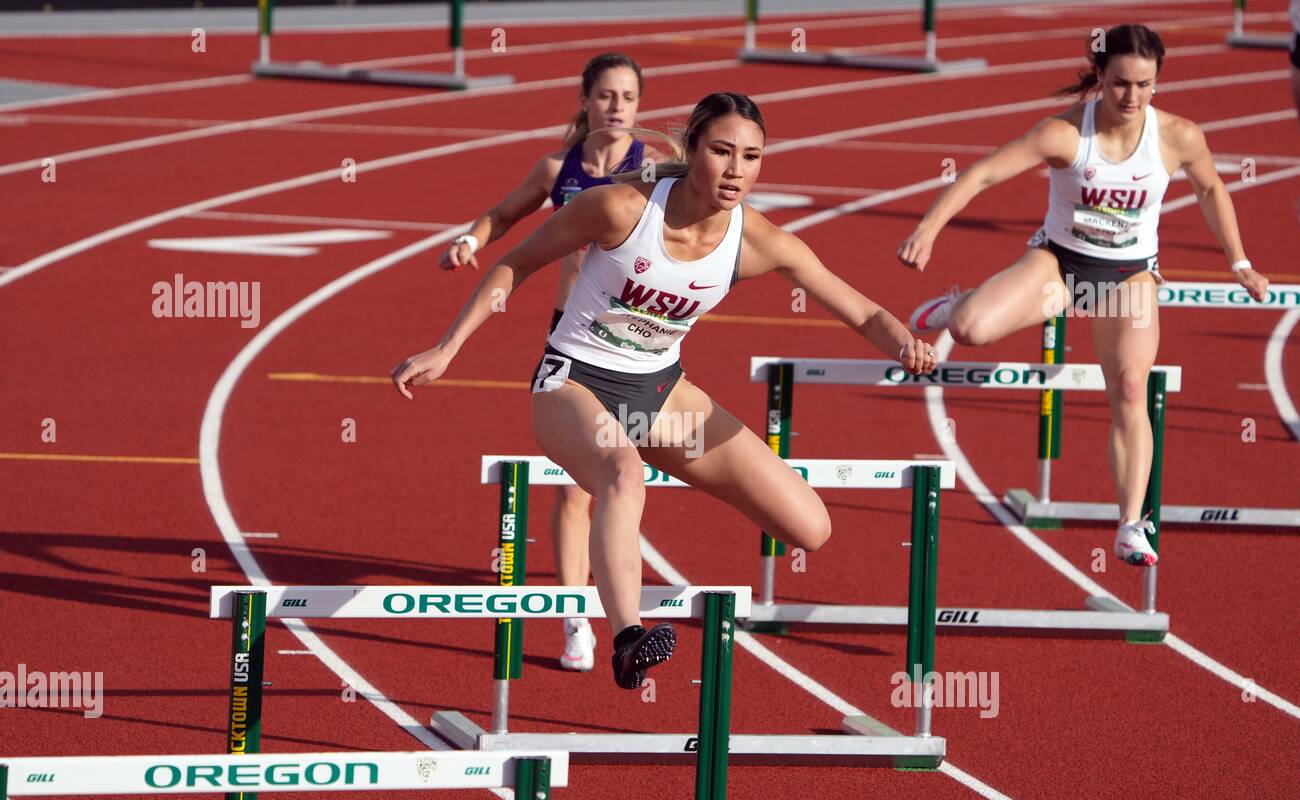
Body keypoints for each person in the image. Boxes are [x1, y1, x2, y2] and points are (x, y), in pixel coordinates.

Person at [394, 92, 937, 690]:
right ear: (692, 150)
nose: (736, 171)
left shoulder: (759, 242)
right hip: (573, 380)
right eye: (722, 152)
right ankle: (628, 636)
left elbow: (860, 311)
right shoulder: (621, 209)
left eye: (751, 157)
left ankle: (648, 484)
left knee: (810, 527)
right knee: (622, 475)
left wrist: (906, 345)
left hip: (661, 392)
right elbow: (516, 264)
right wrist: (448, 348)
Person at [897, 24, 1270, 567]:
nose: (1132, 97)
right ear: (1100, 77)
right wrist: (929, 227)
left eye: (1145, 85)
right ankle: (959, 302)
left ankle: (1128, 524)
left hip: (1129, 274)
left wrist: (1240, 262)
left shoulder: (1178, 137)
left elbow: (1211, 187)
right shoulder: (1066, 134)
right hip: (1062, 262)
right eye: (1121, 83)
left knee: (1129, 385)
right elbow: (981, 174)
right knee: (970, 331)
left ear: (1158, 83)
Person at [438, 53, 656, 672]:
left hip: (637, 346)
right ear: (585, 101)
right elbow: (504, 215)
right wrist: (469, 240)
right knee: (577, 488)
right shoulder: (557, 169)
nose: (618, 107)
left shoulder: (655, 170)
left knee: (618, 479)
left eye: (630, 98)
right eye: (607, 95)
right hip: (572, 340)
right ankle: (575, 620)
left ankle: (618, 609)